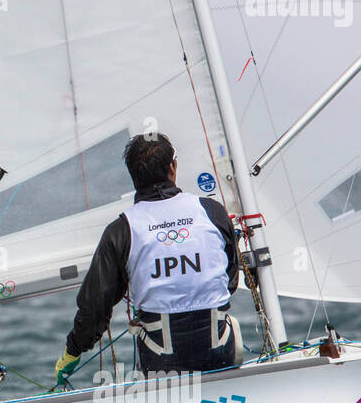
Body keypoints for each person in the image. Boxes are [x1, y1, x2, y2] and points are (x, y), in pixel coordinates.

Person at [55, 134, 242, 384]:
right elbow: (230, 280)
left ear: (133, 176)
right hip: (219, 353)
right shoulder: (212, 211)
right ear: (172, 168)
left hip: (162, 363)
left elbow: (95, 305)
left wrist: (73, 350)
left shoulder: (122, 230)